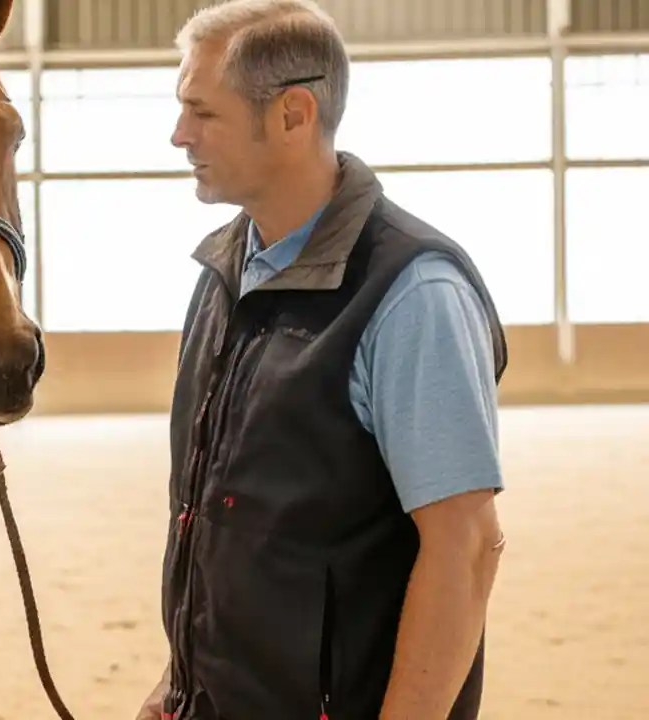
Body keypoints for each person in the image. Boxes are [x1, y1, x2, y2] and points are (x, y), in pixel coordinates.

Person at [138, 1, 509, 718]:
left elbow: (466, 547)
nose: (179, 135)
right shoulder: (222, 275)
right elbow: (225, 520)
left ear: (292, 114)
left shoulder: (412, 294)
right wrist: (180, 683)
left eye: (202, 113)